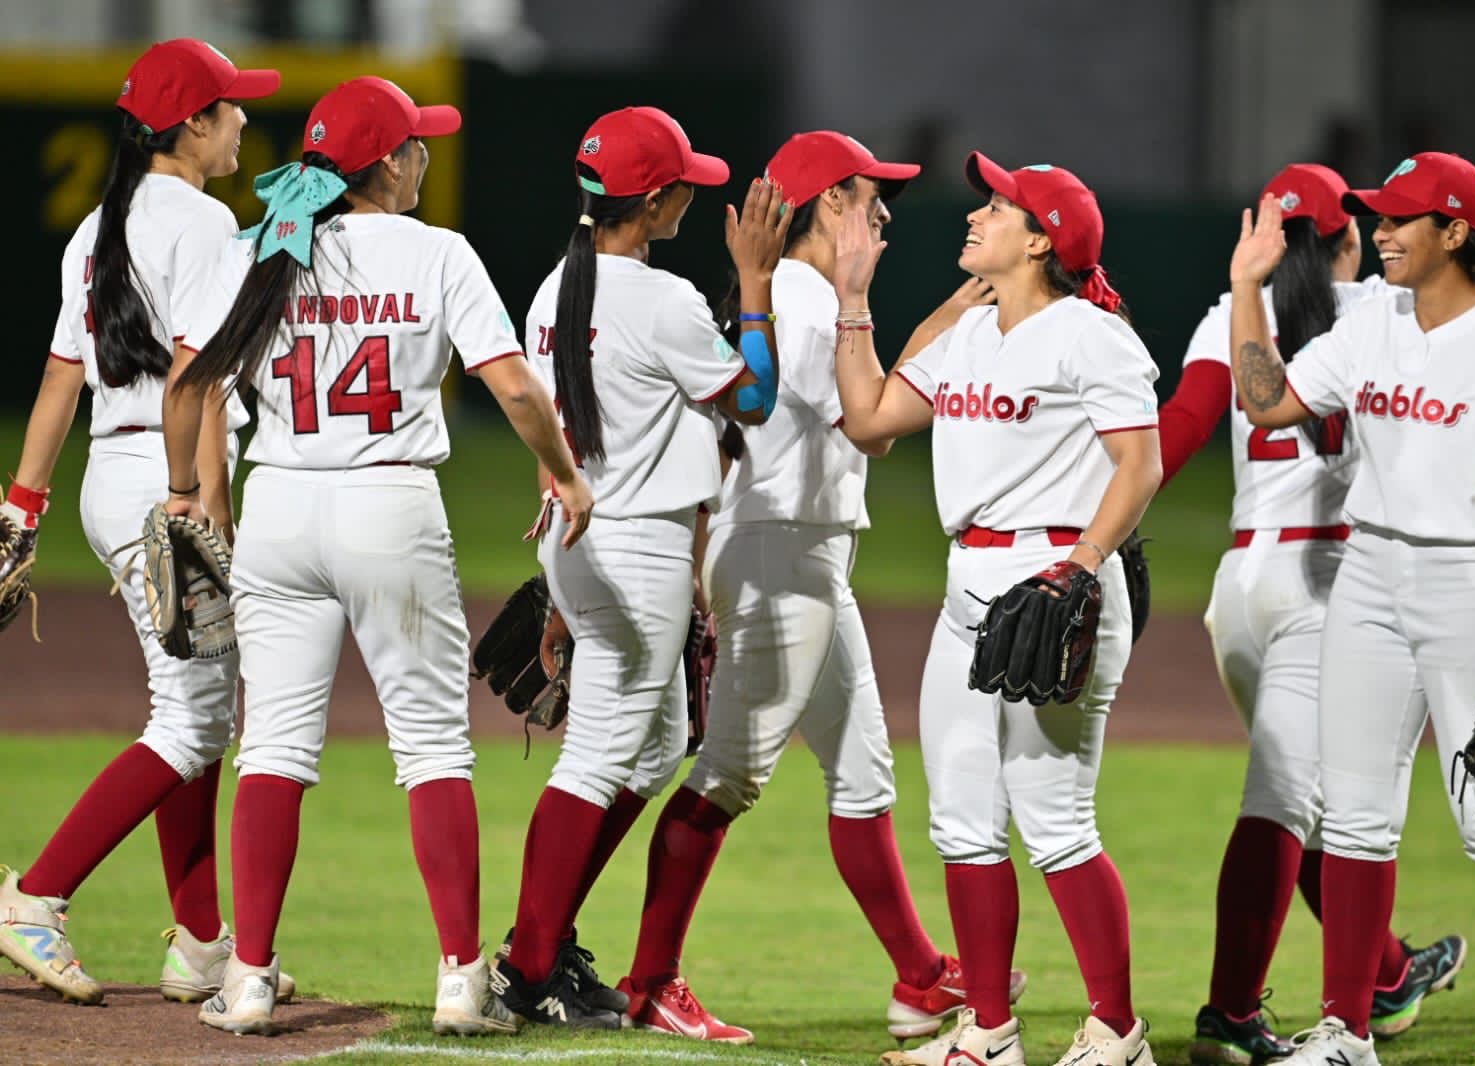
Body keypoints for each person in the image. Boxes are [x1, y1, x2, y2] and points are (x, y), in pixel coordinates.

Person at [162, 75, 591, 1037]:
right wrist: (561, 472)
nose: (425, 156)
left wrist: (194, 494)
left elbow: (189, 387)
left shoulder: (263, 244)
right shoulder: (437, 250)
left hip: (280, 502)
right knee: (432, 747)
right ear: (390, 162)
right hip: (388, 502)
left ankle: (249, 981)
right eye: (417, 143)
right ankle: (457, 983)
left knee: (269, 749)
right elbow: (515, 387)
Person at [615, 129, 1023, 1045]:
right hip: (776, 554)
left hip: (799, 553)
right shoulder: (803, 298)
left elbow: (870, 389)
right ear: (826, 204)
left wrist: (958, 303)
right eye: (867, 194)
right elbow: (872, 421)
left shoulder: (804, 295)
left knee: (863, 772)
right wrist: (916, 306)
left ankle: (920, 977)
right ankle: (649, 980)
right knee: (728, 774)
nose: (882, 210)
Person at [1229, 152, 1475, 1065]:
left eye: (1399, 219)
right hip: (1368, 577)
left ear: (1456, 231)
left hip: (1471, 587)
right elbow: (1265, 402)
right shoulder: (1374, 326)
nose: (1381, 232)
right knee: (1354, 817)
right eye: (1377, 219)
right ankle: (1345, 1029)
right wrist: (1247, 289)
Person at [834, 153, 1162, 1066]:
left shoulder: (1090, 335)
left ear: (1041, 239)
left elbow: (1142, 466)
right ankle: (987, 1032)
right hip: (966, 586)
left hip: (1056, 578)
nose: (976, 213)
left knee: (1054, 820)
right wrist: (855, 296)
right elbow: (867, 420)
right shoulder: (970, 334)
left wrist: (1082, 568)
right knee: (961, 819)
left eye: (998, 205)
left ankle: (1117, 1030)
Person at [492, 106, 790, 1032]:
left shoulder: (555, 287)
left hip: (583, 532)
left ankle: (543, 941)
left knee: (656, 747)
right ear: (654, 199)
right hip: (636, 539)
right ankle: (528, 966)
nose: (689, 199)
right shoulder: (659, 299)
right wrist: (754, 283)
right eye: (681, 188)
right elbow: (754, 396)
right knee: (599, 753)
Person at [0, 38, 284, 1008]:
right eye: (231, 107)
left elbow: (56, 380)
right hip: (169, 479)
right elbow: (198, 384)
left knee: (195, 706)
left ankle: (203, 944)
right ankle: (35, 894)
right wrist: (207, 503)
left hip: (109, 474)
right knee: (192, 716)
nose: (244, 119)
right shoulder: (208, 225)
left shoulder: (95, 228)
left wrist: (20, 508)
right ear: (192, 125)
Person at [1168, 163, 1464, 1064]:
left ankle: (1384, 973)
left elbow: (1180, 423)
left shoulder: (1231, 311)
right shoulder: (1377, 309)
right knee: (1287, 801)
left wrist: (1100, 533)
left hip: (1240, 586)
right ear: (1345, 238)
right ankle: (1229, 1011)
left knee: (1315, 800)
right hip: (1323, 580)